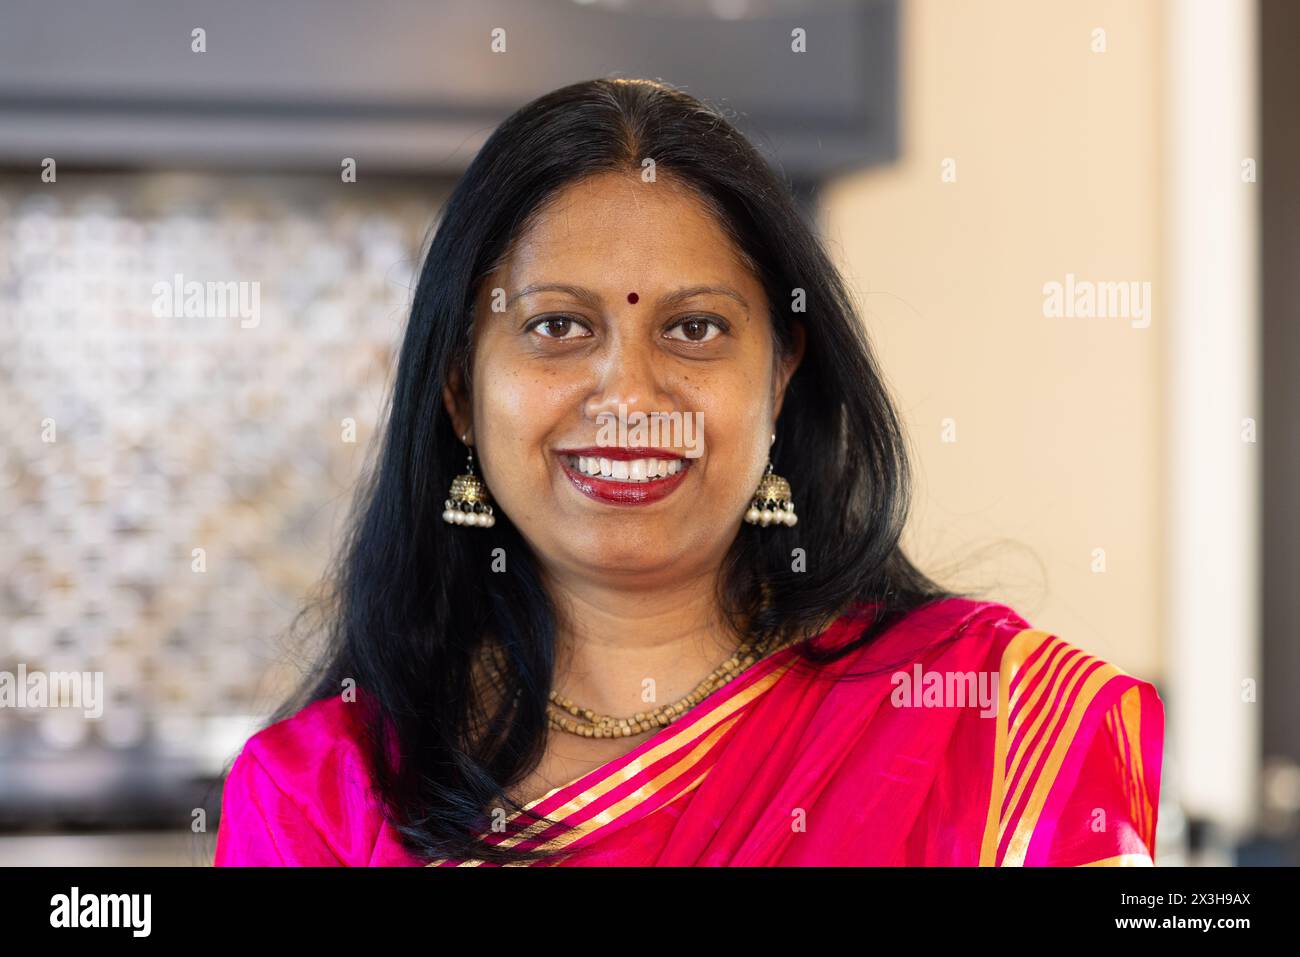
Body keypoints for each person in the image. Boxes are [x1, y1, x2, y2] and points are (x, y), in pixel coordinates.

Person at [213, 77, 1163, 867]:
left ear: (781, 373)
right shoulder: (320, 797)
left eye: (694, 328)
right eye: (557, 327)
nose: (628, 394)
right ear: (461, 388)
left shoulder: (994, 725)